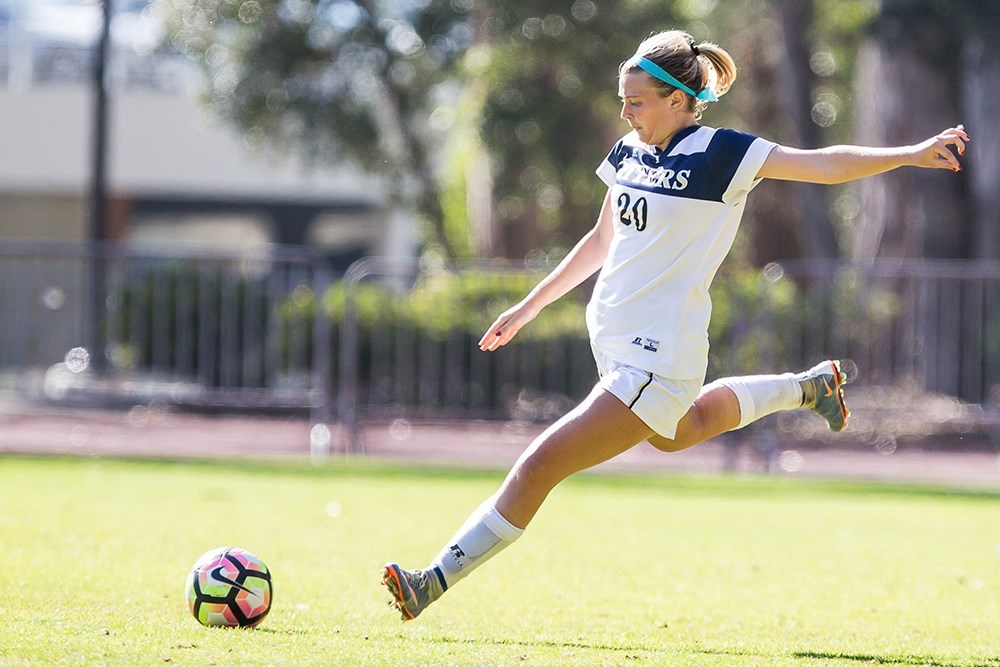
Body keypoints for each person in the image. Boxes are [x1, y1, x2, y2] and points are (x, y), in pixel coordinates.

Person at [381, 29, 969, 621]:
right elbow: (601, 239)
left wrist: (908, 154)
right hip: (616, 346)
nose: (625, 112)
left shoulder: (723, 153)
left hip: (656, 357)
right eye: (623, 100)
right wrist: (529, 306)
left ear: (677, 99)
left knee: (539, 466)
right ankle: (807, 387)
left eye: (636, 101)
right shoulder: (627, 154)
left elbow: (821, 164)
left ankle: (433, 579)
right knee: (681, 430)